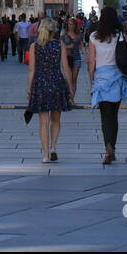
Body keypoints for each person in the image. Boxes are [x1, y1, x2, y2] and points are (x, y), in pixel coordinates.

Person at [87, 7, 127, 165]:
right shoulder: (120, 35)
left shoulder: (94, 37)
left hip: (101, 79)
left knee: (104, 116)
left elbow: (91, 61)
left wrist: (91, 79)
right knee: (113, 116)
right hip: (117, 78)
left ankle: (108, 146)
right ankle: (112, 148)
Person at [27, 18, 74, 163]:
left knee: (43, 122)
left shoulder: (35, 46)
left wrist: (29, 89)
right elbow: (66, 68)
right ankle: (53, 147)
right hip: (56, 82)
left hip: (40, 83)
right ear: (54, 30)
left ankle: (45, 155)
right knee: (56, 120)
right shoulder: (60, 44)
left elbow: (31, 69)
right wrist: (71, 88)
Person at [61, 15, 83, 101]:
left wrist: (87, 55)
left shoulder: (78, 35)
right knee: (68, 80)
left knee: (74, 79)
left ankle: (72, 99)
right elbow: (60, 46)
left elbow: (82, 46)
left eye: (72, 24)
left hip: (77, 58)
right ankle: (68, 98)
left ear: (75, 25)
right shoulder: (63, 35)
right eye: (69, 24)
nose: (71, 26)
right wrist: (68, 47)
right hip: (67, 58)